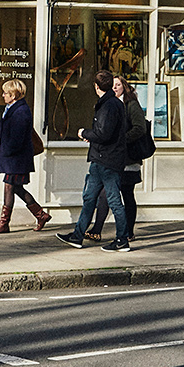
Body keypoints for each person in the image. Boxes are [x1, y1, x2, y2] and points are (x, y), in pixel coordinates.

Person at [57, 71, 132, 252]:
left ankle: (122, 240)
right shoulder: (111, 103)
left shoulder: (109, 105)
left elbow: (103, 134)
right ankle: (77, 235)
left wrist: (84, 133)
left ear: (96, 87)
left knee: (114, 201)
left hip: (107, 161)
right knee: (89, 198)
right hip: (100, 159)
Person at [87, 76, 148, 243]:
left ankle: (128, 231)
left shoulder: (131, 104)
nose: (114, 88)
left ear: (124, 87)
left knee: (126, 194)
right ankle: (97, 230)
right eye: (112, 85)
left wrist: (121, 139)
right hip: (113, 158)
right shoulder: (109, 104)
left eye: (118, 85)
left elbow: (140, 128)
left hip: (128, 158)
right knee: (105, 194)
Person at [0, 79, 50, 234]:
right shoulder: (12, 108)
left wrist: (7, 152)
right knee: (16, 187)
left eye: (5, 93)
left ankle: (4, 223)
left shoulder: (21, 111)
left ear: (14, 95)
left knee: (10, 186)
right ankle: (40, 214)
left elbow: (17, 138)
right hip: (14, 158)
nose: (3, 95)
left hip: (17, 158)